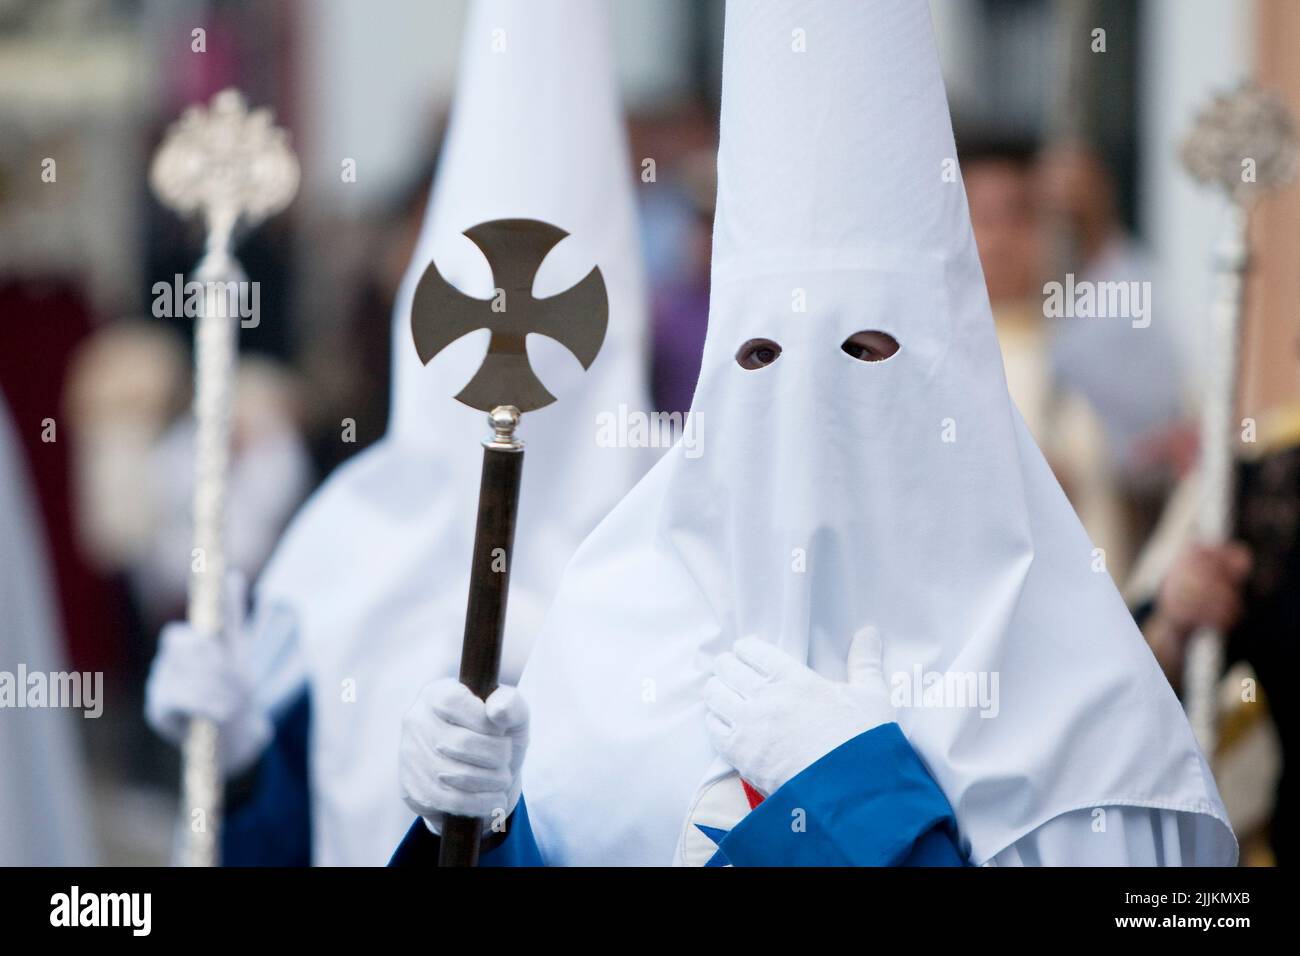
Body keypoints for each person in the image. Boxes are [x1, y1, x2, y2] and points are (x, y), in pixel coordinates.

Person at [393, 0, 1235, 867]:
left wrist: (860, 799)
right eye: (761, 355)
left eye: (866, 351)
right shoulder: (612, 634)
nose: (806, 402)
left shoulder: (1076, 713)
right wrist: (471, 827)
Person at [144, 0, 655, 865]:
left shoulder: (665, 572)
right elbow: (278, 846)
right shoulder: (351, 547)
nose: (513, 356)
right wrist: (236, 765)